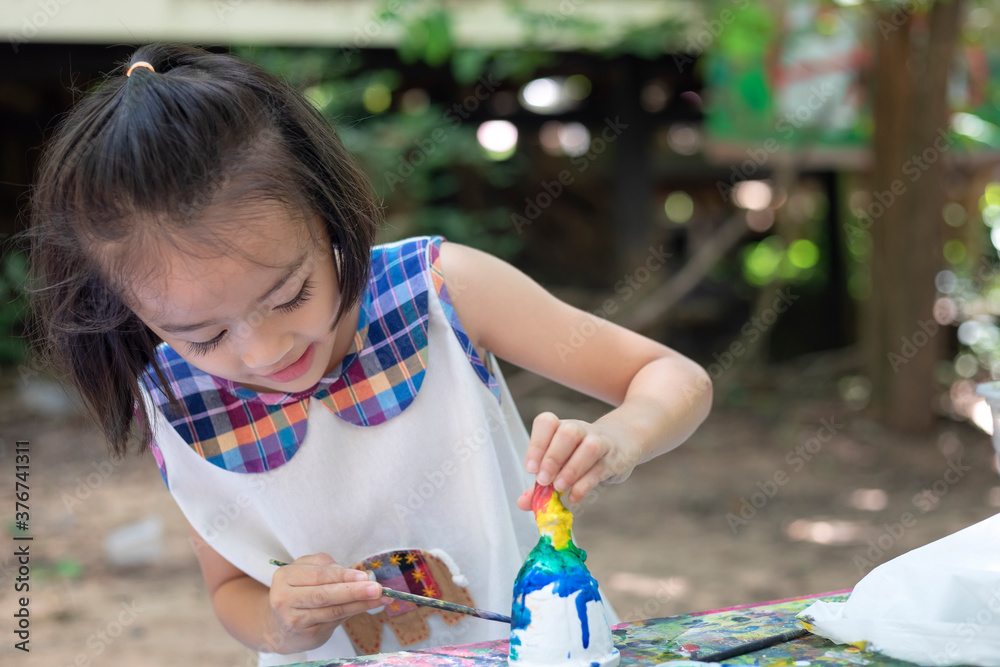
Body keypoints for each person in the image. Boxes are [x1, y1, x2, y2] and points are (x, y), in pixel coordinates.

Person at [27, 44, 712, 665]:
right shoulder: (176, 399)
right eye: (202, 335)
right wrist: (281, 620)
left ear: (329, 213)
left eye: (290, 293)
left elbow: (670, 376)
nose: (265, 351)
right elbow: (232, 587)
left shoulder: (440, 293)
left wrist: (618, 438)